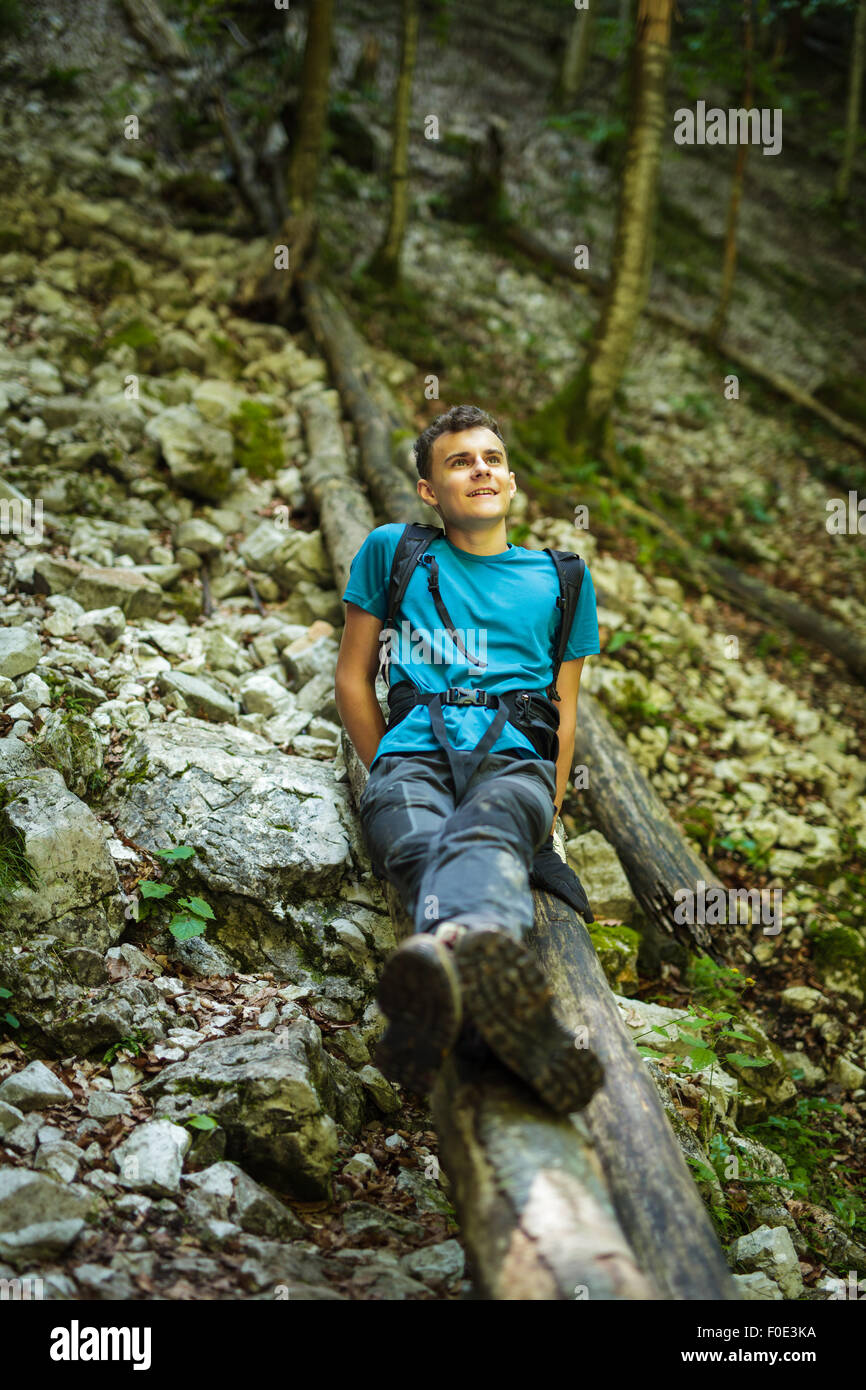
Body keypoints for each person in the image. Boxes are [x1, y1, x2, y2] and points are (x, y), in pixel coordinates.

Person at [334, 403, 604, 1114]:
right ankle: (496, 1012)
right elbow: (351, 677)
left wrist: (548, 802)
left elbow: (564, 707)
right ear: (429, 491)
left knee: (484, 834)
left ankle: (441, 1004)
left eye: (490, 457)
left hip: (515, 764)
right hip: (413, 753)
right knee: (416, 841)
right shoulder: (394, 550)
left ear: (510, 477)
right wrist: (385, 762)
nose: (480, 469)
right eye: (459, 462)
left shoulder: (563, 577)